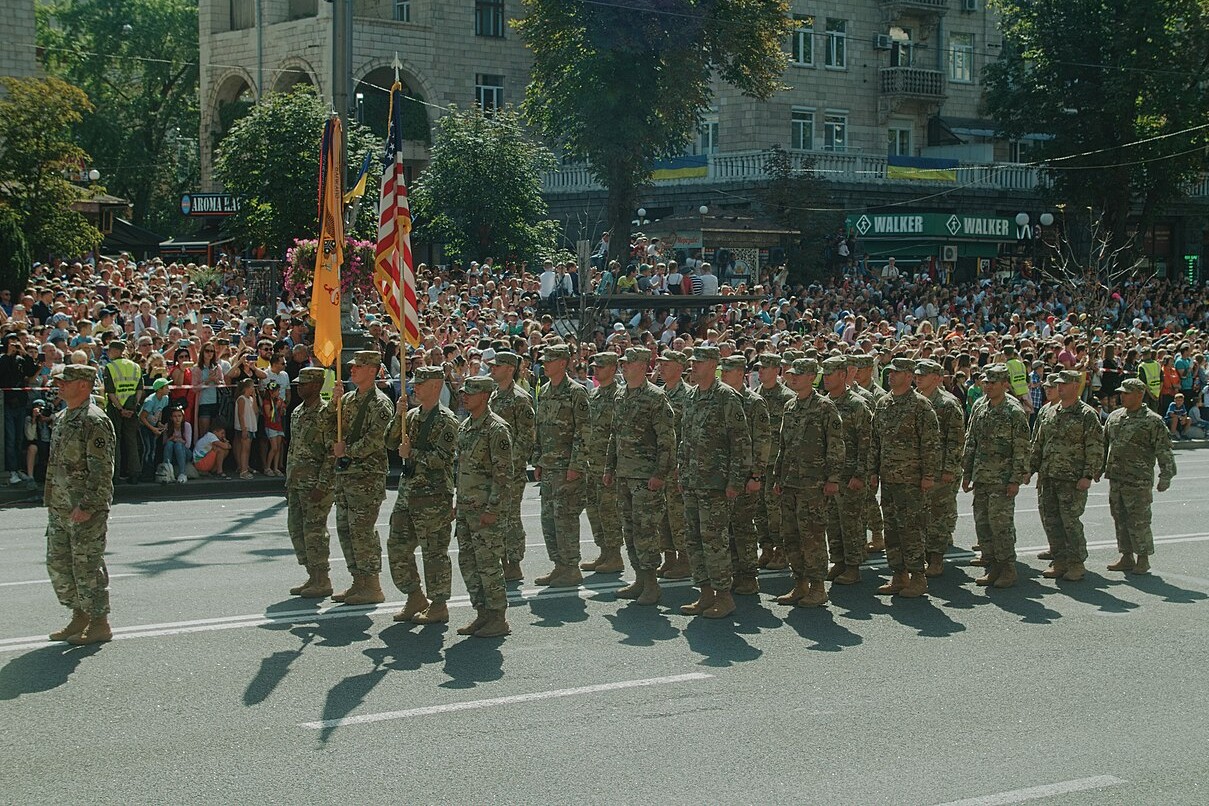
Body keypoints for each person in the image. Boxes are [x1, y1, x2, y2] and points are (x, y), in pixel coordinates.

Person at [677, 346, 752, 619]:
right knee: (694, 539)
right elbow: (685, 439)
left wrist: (735, 481)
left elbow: (740, 442)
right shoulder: (692, 396)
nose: (693, 366)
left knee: (715, 541)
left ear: (713, 364)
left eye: (698, 362)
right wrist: (682, 474)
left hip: (717, 483)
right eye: (692, 362)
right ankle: (705, 592)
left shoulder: (726, 398)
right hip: (694, 482)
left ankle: (724, 595)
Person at [43, 363, 116, 645]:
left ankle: (99, 622)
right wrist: (51, 500)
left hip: (85, 508)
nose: (59, 385)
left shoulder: (94, 420)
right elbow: (56, 464)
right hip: (60, 506)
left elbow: (101, 469)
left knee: (87, 564)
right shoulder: (63, 417)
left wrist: (87, 504)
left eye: (65, 381)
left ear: (83, 386)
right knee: (60, 564)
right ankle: (79, 615)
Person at [385, 365, 459, 624]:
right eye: (414, 383)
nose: (414, 387)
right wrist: (398, 416)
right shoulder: (412, 416)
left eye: (421, 383)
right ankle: (414, 595)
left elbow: (443, 458)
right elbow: (390, 442)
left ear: (436, 386)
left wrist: (412, 454)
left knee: (434, 552)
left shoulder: (446, 421)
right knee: (396, 546)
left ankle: (439, 604)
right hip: (408, 493)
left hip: (432, 496)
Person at [604, 346, 675, 605]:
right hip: (624, 474)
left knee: (646, 532)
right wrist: (609, 468)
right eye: (623, 362)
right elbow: (615, 434)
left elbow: (667, 440)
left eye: (629, 363)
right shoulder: (621, 396)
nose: (624, 366)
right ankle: (639, 579)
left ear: (644, 366)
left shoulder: (655, 398)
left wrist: (660, 474)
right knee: (630, 530)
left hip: (646, 478)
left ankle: (652, 585)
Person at [774, 357, 844, 607]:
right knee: (791, 535)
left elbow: (835, 445)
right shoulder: (790, 406)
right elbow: (783, 446)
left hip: (813, 485)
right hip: (791, 482)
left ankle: (818, 587)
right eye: (791, 374)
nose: (793, 378)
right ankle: (800, 583)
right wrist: (778, 476)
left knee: (812, 535)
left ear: (812, 377)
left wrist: (833, 479)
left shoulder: (825, 407)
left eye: (799, 374)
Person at [869, 357, 940, 598]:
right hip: (889, 479)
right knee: (892, 529)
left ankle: (918, 577)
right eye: (890, 372)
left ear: (909, 377)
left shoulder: (920, 405)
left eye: (897, 373)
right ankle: (898, 574)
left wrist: (929, 475)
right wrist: (872, 471)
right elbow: (876, 441)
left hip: (911, 480)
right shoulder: (883, 403)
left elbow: (930, 443)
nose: (891, 376)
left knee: (911, 529)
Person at [331, 351, 395, 606]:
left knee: (362, 531)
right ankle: (358, 581)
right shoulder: (347, 400)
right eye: (352, 366)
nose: (352, 370)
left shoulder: (380, 403)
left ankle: (373, 584)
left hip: (367, 475)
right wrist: (332, 404)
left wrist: (346, 450)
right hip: (347, 474)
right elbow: (331, 427)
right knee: (345, 530)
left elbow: (376, 439)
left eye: (359, 366)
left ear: (373, 370)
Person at [1029, 369, 1105, 582]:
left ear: (1075, 385)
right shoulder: (1050, 411)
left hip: (1072, 479)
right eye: (1058, 384)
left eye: (1064, 384)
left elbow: (1095, 447)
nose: (1059, 387)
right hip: (1049, 475)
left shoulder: (1086, 414)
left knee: (1070, 522)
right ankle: (1060, 560)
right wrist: (1031, 468)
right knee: (1052, 521)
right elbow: (1039, 443)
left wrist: (1088, 475)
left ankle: (1076, 563)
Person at [454, 376, 514, 638]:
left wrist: (492, 509)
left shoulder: (496, 430)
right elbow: (463, 470)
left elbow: (503, 476)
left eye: (471, 392)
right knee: (469, 563)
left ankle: (498, 617)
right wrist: (458, 503)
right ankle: (482, 613)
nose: (465, 396)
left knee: (489, 564)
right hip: (467, 510)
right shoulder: (466, 427)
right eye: (464, 392)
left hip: (486, 513)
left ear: (486, 395)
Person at [962, 364, 1032, 589]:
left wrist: (1015, 479)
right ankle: (991, 566)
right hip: (982, 477)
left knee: (1000, 525)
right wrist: (967, 472)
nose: (988, 386)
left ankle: (1007, 568)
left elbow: (1021, 448)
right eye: (986, 382)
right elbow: (971, 439)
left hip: (1002, 480)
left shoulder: (1013, 410)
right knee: (982, 523)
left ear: (1005, 385)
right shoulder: (980, 407)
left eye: (993, 383)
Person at [1100, 378, 1177, 575]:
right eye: (1121, 393)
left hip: (1138, 479)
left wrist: (1165, 475)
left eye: (1126, 393)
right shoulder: (1115, 416)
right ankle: (1126, 556)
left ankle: (1143, 558)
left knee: (1139, 520)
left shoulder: (1152, 421)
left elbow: (1164, 449)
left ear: (1139, 395)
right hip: (1116, 477)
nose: (1122, 396)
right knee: (1119, 517)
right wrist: (1097, 469)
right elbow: (1103, 444)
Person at [532, 343, 590, 587]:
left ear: (563, 363)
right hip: (549, 467)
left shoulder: (576, 392)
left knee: (565, 518)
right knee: (549, 519)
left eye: (549, 360)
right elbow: (540, 428)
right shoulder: (544, 391)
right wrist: (538, 460)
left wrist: (576, 464)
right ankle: (559, 565)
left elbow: (584, 431)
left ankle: (571, 567)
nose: (544, 364)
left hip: (567, 468)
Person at [719, 354, 771, 596]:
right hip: (724, 475)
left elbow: (762, 441)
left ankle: (749, 576)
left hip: (746, 476)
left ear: (740, 374)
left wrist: (756, 475)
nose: (723, 376)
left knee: (742, 527)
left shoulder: (753, 402)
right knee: (725, 527)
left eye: (727, 372)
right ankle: (733, 571)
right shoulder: (721, 399)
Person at [284, 367, 336, 598]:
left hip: (315, 484)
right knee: (296, 529)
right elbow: (293, 449)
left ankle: (322, 578)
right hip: (297, 482)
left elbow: (331, 454)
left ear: (316, 385)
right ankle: (311, 574)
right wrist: (288, 479)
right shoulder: (297, 412)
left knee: (314, 531)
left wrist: (322, 485)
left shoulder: (326, 414)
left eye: (304, 384)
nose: (299, 387)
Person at [821, 355, 871, 587]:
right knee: (833, 521)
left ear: (842, 375)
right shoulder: (825, 403)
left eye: (830, 374)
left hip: (850, 475)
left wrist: (860, 474)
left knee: (851, 522)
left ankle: (853, 566)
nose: (826, 378)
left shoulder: (857, 405)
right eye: (824, 374)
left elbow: (867, 442)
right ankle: (839, 561)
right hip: (830, 476)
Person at [913, 359, 966, 577]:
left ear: (937, 378)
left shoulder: (947, 404)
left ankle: (936, 559)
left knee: (938, 516)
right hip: (920, 469)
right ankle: (925, 555)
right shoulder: (915, 400)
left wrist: (948, 471)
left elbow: (955, 440)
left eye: (922, 375)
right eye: (916, 375)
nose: (918, 378)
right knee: (922, 516)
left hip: (941, 469)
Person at [487, 351, 536, 581]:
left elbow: (527, 437)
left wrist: (510, 465)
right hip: (492, 469)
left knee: (511, 517)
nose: (492, 369)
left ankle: (514, 563)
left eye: (497, 366)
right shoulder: (493, 396)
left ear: (509, 369)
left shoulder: (520, 398)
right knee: (496, 515)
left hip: (511, 471)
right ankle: (500, 560)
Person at [582, 352, 625, 574]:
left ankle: (615, 554)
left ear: (613, 368)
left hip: (609, 464)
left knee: (609, 510)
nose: (595, 370)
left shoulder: (620, 395)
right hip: (592, 462)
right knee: (594, 509)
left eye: (600, 366)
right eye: (594, 366)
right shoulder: (595, 394)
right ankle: (604, 551)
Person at [656, 349, 693, 579]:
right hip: (660, 464)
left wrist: (684, 463)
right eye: (660, 364)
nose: (661, 368)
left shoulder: (688, 396)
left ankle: (685, 559)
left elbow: (690, 433)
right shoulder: (658, 394)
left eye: (666, 364)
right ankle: (668, 557)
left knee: (679, 514)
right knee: (662, 514)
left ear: (679, 369)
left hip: (677, 464)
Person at [756, 352, 795, 570]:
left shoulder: (786, 398)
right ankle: (767, 548)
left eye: (765, 367)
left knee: (776, 511)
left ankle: (782, 551)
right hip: (759, 463)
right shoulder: (755, 395)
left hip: (777, 463)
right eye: (759, 367)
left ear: (776, 371)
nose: (760, 371)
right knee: (759, 509)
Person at [102, 340, 144, 483]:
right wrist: (133, 407)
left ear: (116, 351)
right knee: (131, 440)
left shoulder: (110, 367)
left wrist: (120, 408)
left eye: (109, 350)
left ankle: (115, 474)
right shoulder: (136, 367)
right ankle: (135, 473)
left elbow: (110, 392)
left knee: (116, 440)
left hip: (116, 409)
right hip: (131, 407)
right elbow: (139, 390)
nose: (108, 353)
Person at [1, 332, 37, 485]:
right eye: (11, 342)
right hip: (8, 403)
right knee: (10, 438)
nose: (14, 344)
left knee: (19, 438)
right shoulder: (2, 359)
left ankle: (18, 468)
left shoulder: (21, 359)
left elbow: (31, 371)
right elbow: (3, 374)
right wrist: (8, 355)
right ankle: (11, 469)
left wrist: (24, 353)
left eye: (16, 341)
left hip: (20, 403)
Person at [138, 377, 172, 478]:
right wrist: (153, 429)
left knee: (153, 449)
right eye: (166, 387)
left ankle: (150, 471)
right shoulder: (150, 401)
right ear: (159, 389)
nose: (168, 389)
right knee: (147, 449)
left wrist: (159, 423)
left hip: (153, 426)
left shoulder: (165, 399)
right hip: (144, 426)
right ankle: (144, 472)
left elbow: (160, 410)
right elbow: (142, 417)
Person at [234, 377, 258, 479]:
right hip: (244, 427)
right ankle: (243, 471)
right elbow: (241, 415)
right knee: (244, 449)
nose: (253, 388)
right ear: (246, 388)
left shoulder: (251, 399)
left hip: (251, 426)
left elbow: (256, 410)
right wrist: (244, 429)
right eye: (252, 387)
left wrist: (255, 397)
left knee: (247, 449)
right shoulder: (241, 399)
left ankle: (245, 467)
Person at [161, 406, 192, 483]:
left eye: (179, 416)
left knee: (178, 445)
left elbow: (188, 445)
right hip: (172, 452)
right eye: (175, 416)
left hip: (185, 452)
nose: (177, 418)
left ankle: (182, 474)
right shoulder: (168, 426)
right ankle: (166, 473)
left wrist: (178, 440)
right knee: (169, 444)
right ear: (171, 418)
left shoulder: (186, 425)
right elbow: (164, 443)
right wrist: (172, 438)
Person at [261, 380, 286, 476]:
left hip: (278, 425)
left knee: (278, 447)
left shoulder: (278, 399)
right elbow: (268, 414)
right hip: (270, 426)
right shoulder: (267, 401)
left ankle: (276, 468)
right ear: (272, 392)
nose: (279, 392)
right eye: (277, 391)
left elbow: (281, 413)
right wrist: (276, 406)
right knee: (274, 447)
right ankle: (267, 467)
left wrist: (282, 407)